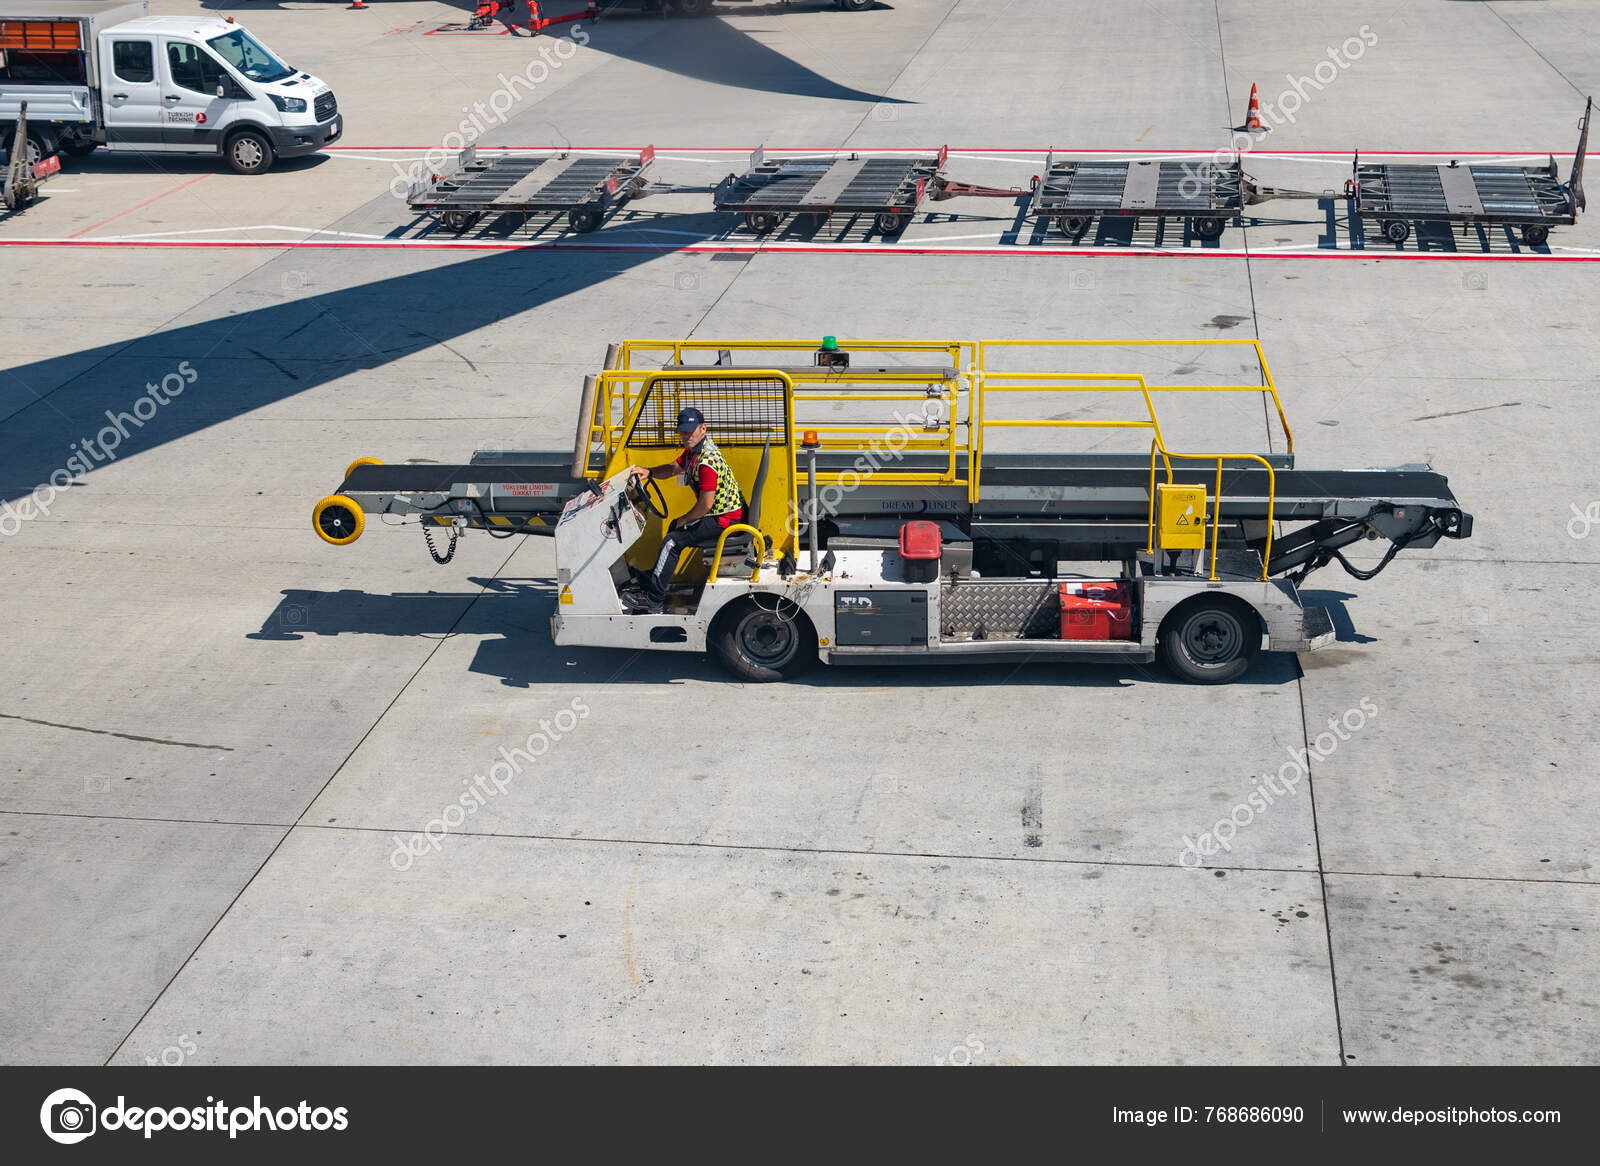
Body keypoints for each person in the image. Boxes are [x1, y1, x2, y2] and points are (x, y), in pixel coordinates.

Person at [621, 407, 745, 614]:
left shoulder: (706, 461)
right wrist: (649, 472)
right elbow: (672, 469)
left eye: (690, 431)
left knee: (671, 542)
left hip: (724, 520)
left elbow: (705, 504)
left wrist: (684, 519)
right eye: (682, 432)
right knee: (673, 528)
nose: (686, 436)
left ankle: (654, 601)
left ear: (702, 429)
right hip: (720, 515)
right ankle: (658, 579)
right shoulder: (695, 451)